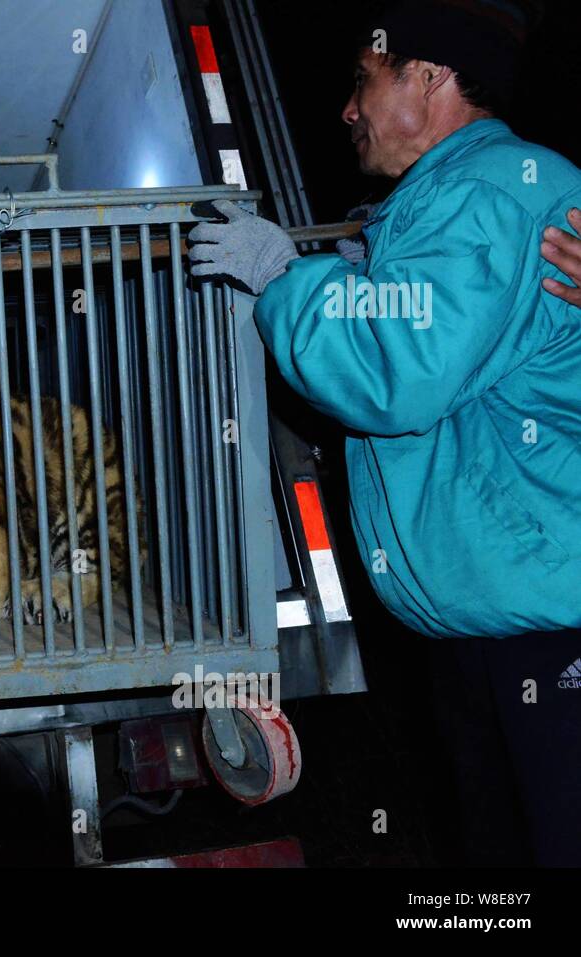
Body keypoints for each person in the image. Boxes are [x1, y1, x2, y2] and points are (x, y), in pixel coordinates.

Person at [186, 0, 579, 865]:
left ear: (430, 77)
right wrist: (363, 274)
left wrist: (286, 280)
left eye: (364, 82)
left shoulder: (488, 191)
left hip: (545, 628)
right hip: (491, 625)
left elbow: (395, 372)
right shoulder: (452, 200)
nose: (347, 110)